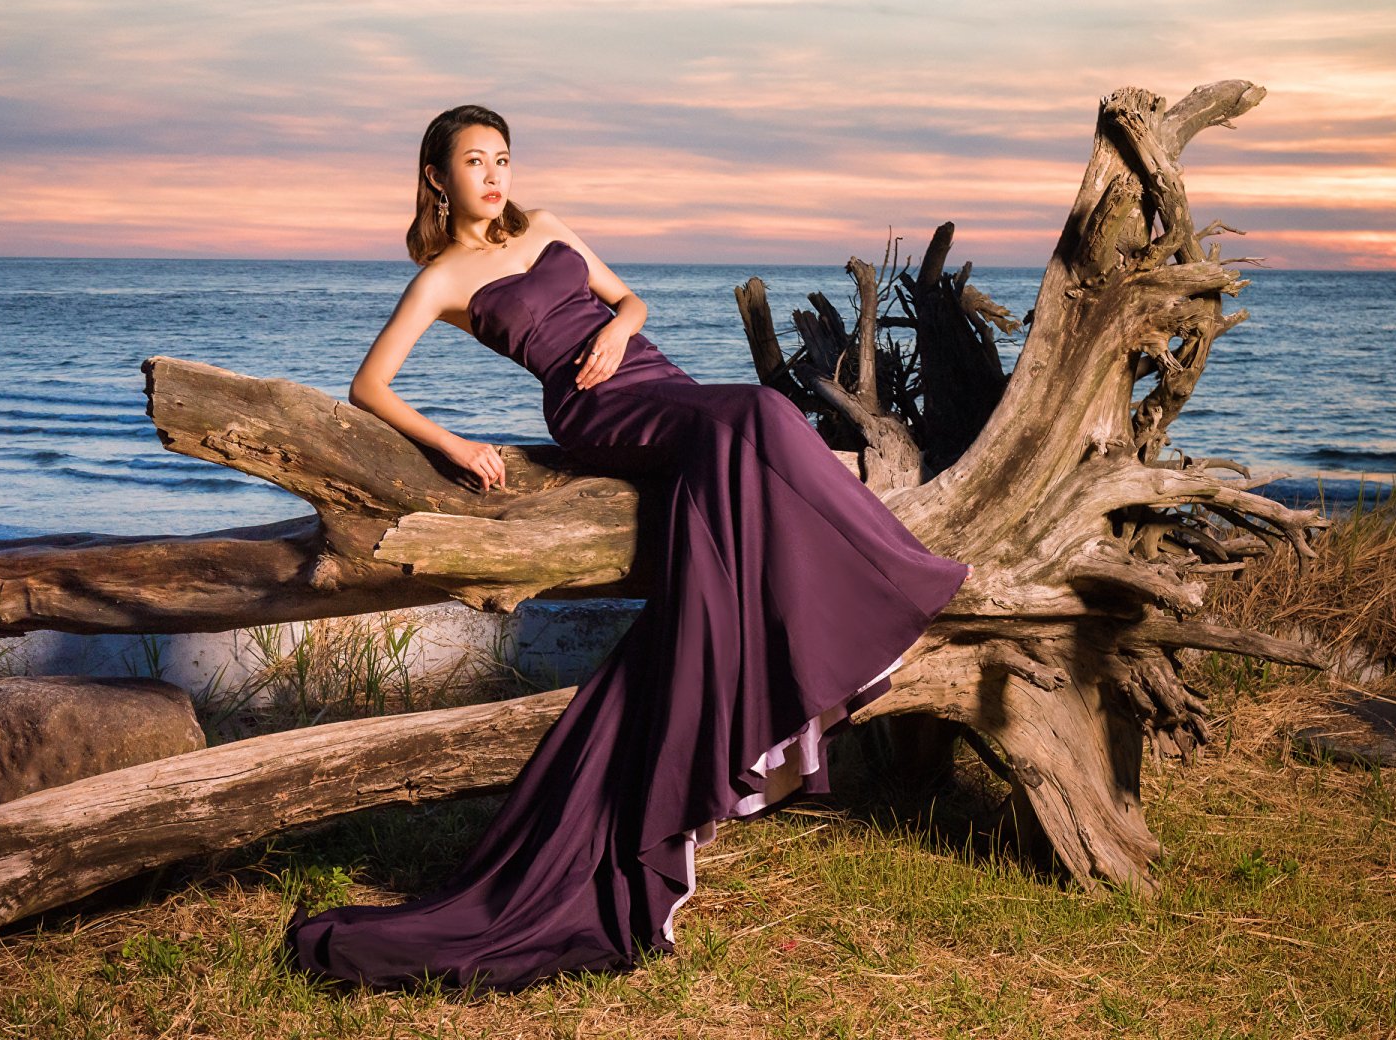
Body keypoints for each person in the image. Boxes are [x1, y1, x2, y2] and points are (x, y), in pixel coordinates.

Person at [282, 103, 971, 991]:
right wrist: (456, 446)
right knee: (761, 413)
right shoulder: (443, 276)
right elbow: (368, 384)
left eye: (503, 159)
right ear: (436, 178)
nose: (494, 177)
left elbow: (629, 299)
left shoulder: (552, 226)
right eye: (475, 163)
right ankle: (893, 584)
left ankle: (846, 612)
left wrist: (617, 327)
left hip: (647, 370)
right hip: (593, 409)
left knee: (750, 442)